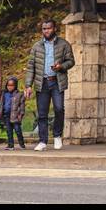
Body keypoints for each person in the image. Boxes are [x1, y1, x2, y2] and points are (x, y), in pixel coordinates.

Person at [24, 18, 75, 151]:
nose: (46, 31)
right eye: (44, 29)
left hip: (57, 82)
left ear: (54, 29)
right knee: (42, 113)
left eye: (48, 28)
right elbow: (31, 67)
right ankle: (43, 141)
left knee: (59, 109)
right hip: (42, 83)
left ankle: (57, 135)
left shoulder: (64, 44)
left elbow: (71, 61)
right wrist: (28, 85)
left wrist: (61, 66)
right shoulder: (36, 46)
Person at [0, 76, 25, 150]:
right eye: (8, 85)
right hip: (6, 115)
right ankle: (10, 145)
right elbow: (1, 104)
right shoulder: (4, 94)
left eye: (12, 85)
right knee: (9, 131)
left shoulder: (19, 94)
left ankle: (21, 143)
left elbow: (22, 105)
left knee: (17, 130)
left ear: (15, 85)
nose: (9, 87)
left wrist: (21, 114)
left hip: (15, 116)